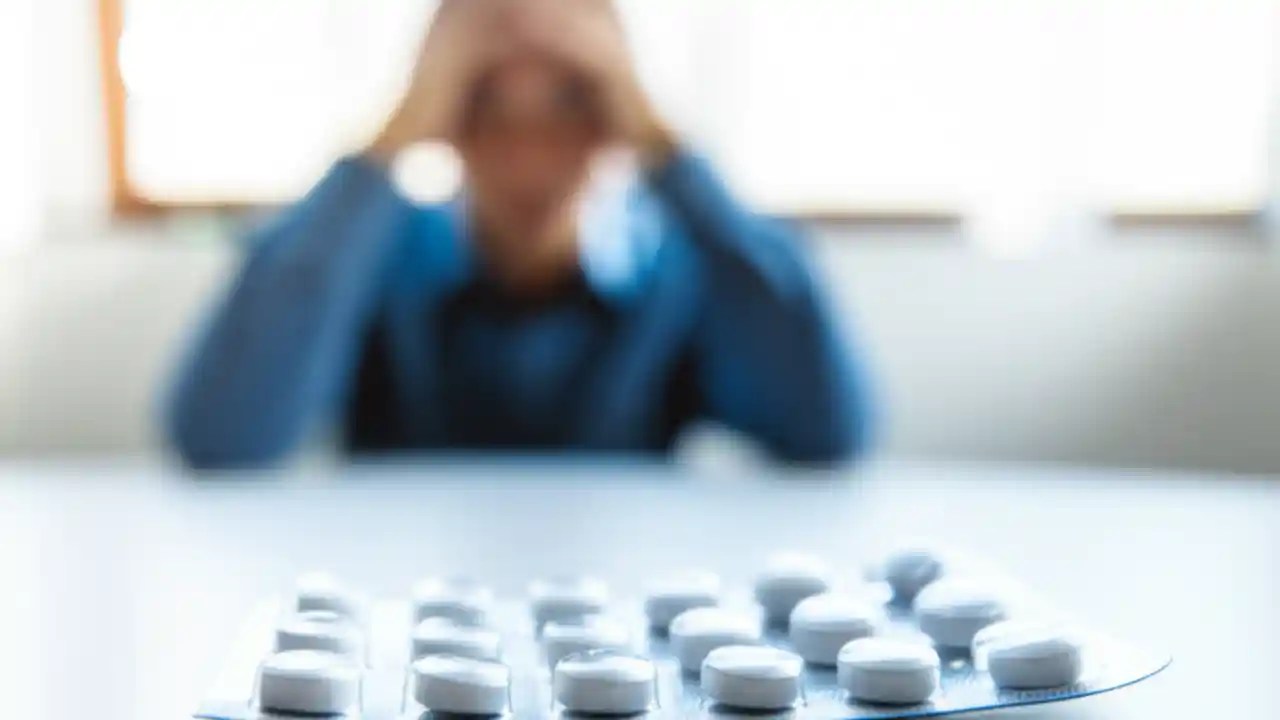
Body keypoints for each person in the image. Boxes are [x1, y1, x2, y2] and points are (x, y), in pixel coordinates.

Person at [165, 0, 873, 468]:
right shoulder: (370, 260)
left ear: (614, 118)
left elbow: (827, 432)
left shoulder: (675, 269)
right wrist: (386, 146)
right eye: (483, 102)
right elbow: (220, 436)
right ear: (438, 117)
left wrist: (666, 150)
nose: (526, 147)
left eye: (571, 102)